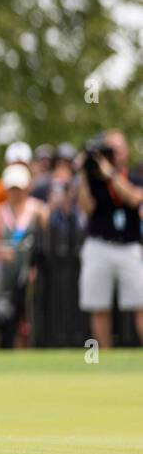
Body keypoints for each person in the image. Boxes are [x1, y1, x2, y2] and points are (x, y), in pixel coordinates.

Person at [76, 130, 143, 349]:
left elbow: (134, 198)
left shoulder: (133, 176)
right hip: (99, 246)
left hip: (129, 247)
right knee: (99, 306)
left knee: (141, 303)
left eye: (118, 149)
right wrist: (84, 173)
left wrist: (111, 175)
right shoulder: (94, 181)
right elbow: (86, 208)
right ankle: (104, 356)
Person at [0, 164, 45, 348]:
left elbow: (46, 244)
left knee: (30, 315)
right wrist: (0, 251)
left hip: (31, 275)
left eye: (18, 188)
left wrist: (36, 266)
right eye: (12, 188)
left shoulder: (39, 211)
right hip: (6, 278)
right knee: (7, 318)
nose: (15, 193)